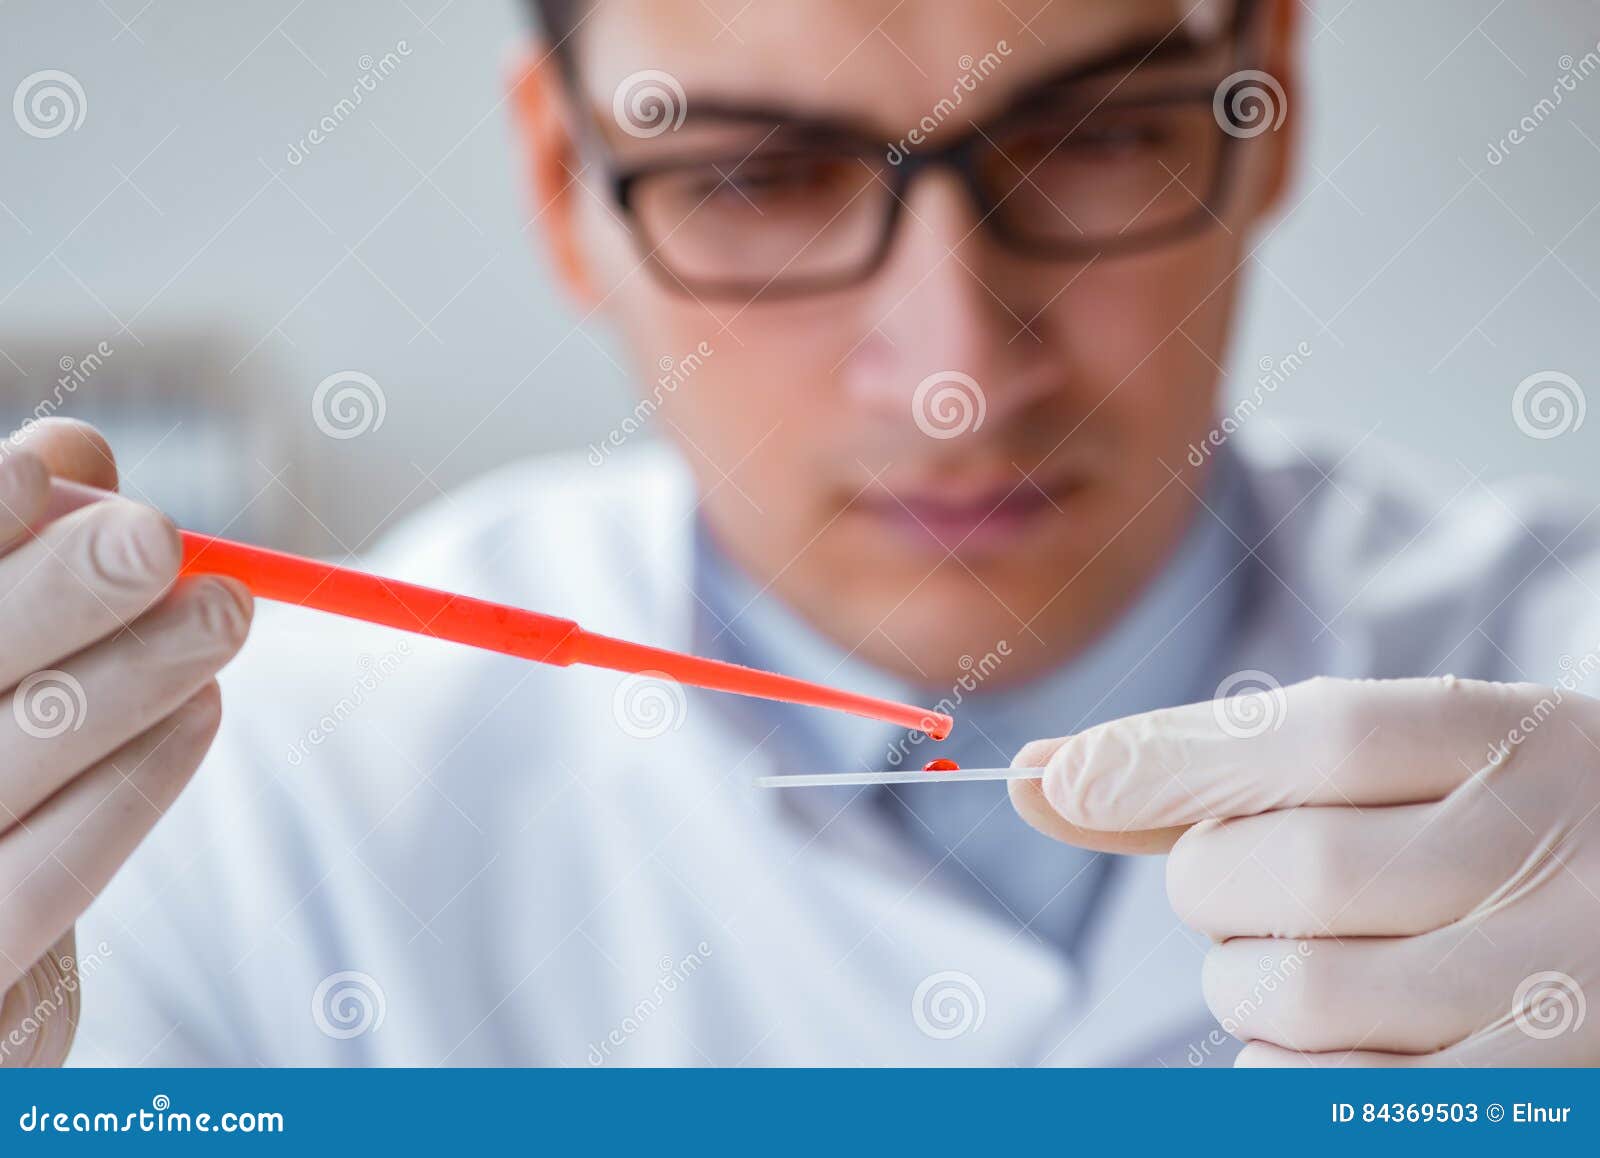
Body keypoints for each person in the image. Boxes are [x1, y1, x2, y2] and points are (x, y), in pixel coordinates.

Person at [2, 0, 1596, 1067]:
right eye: (761, 178)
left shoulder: (1567, 685)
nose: (960, 376)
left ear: (1269, 104)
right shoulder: (248, 810)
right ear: (563, 182)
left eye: (1097, 137)